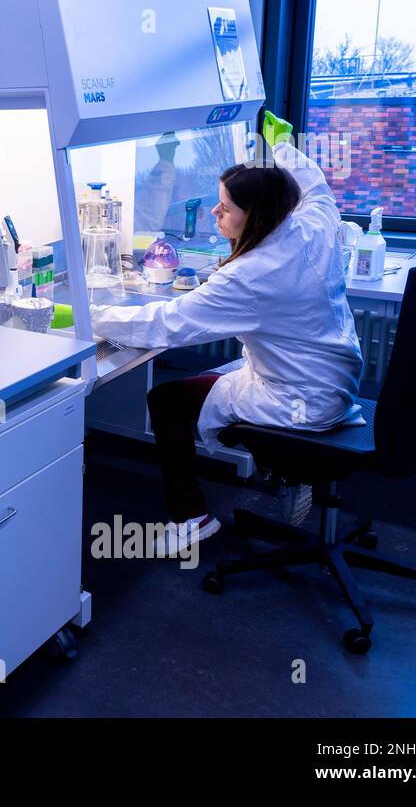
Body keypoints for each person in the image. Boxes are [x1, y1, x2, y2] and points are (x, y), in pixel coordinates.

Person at [91, 140, 365, 551]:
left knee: (167, 400)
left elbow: (165, 325)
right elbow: (315, 183)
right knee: (220, 374)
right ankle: (289, 471)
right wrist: (280, 143)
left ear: (255, 216)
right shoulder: (313, 225)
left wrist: (89, 318)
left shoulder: (251, 274)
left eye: (226, 207)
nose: (214, 212)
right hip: (335, 381)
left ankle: (192, 520)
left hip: (298, 398)